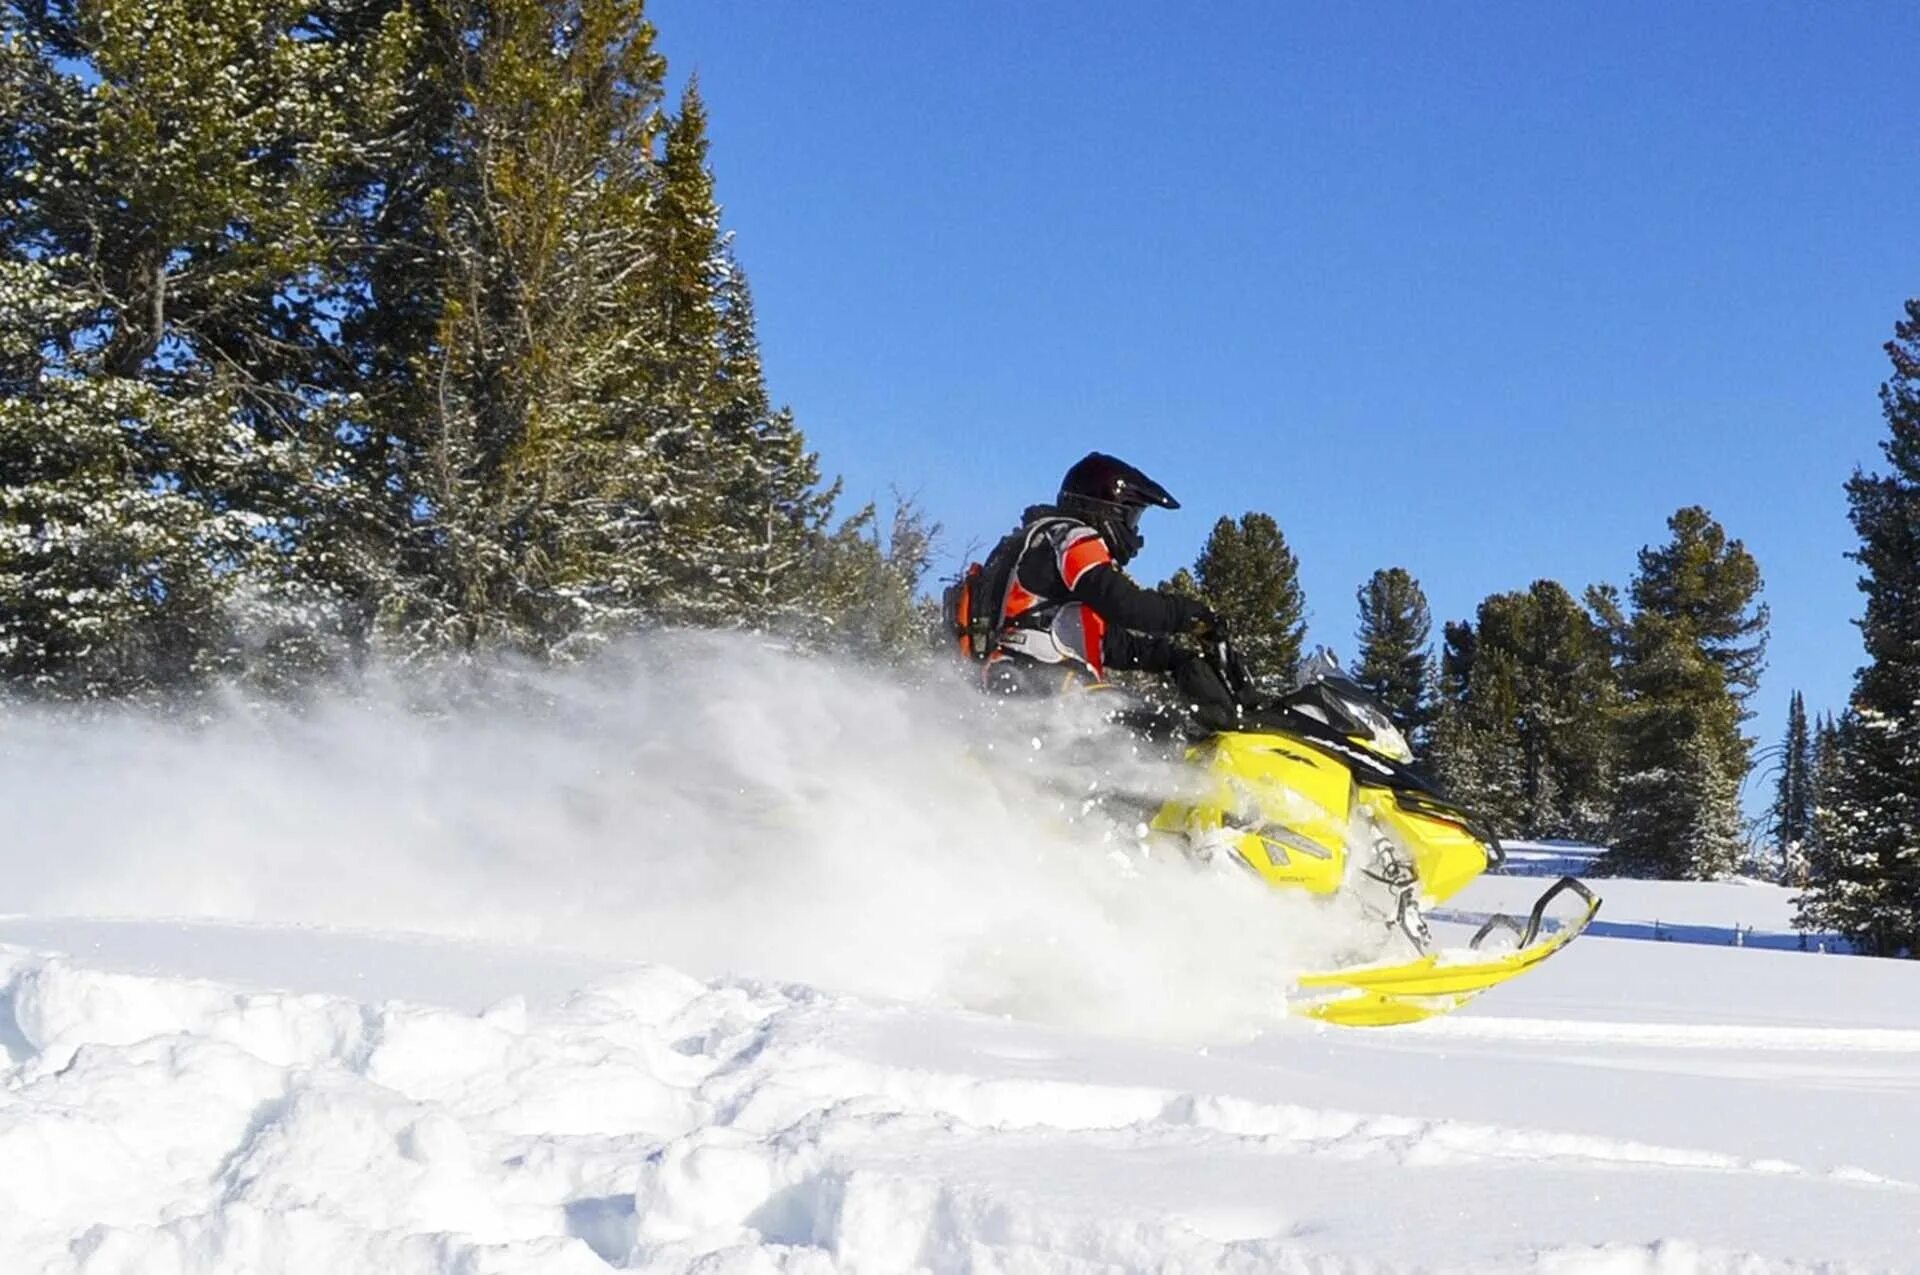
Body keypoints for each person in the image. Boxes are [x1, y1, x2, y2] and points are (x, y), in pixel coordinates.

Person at [976, 452, 1239, 728]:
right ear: (1106, 510)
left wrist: (1174, 657)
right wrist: (1193, 615)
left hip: (1019, 678)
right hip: (1041, 679)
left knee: (1145, 729)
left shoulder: (1038, 547)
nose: (1134, 533)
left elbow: (1112, 644)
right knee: (1160, 730)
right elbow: (1126, 604)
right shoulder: (1072, 537)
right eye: (1132, 518)